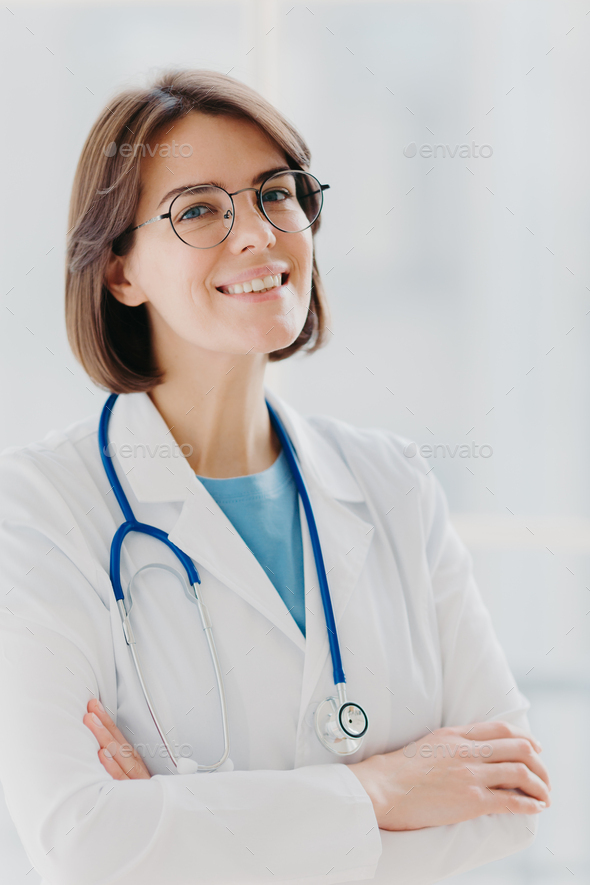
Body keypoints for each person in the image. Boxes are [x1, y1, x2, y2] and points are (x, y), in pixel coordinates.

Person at [0, 69, 550, 885]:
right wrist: (382, 789)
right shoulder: (39, 509)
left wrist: (186, 829)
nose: (256, 232)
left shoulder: (394, 483)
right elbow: (82, 841)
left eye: (275, 194)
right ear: (120, 271)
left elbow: (512, 798)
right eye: (198, 210)